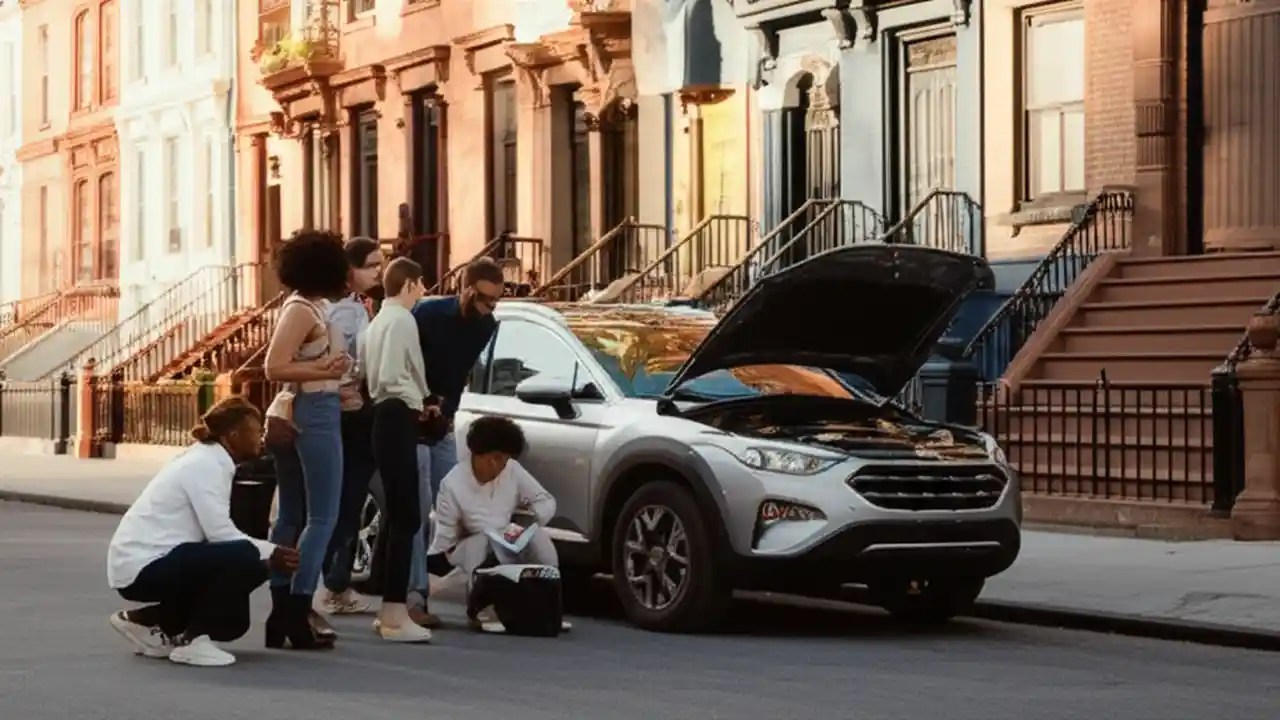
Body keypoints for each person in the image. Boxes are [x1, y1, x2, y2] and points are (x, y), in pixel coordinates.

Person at [107, 397, 298, 667]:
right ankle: (194, 641)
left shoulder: (209, 459)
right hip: (143, 566)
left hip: (153, 560)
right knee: (244, 555)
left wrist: (269, 557)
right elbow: (220, 533)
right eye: (256, 431)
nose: (261, 438)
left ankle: (148, 621)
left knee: (247, 587)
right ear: (234, 435)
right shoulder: (204, 465)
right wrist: (273, 551)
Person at [399, 257, 503, 625]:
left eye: (495, 301)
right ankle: (414, 597)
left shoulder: (486, 326)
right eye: (484, 299)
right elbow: (405, 363)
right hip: (410, 417)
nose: (488, 308)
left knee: (460, 504)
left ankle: (478, 597)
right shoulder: (426, 315)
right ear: (466, 288)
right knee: (416, 507)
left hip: (443, 419)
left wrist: (447, 408)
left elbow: (459, 374)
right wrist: (422, 401)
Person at [262, 229, 351, 649]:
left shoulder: (309, 306)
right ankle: (297, 610)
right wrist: (327, 372)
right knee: (322, 517)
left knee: (293, 515)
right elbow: (274, 366)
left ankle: (281, 614)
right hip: (315, 412)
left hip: (305, 410)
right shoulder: (301, 310)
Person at [426, 415, 558, 629]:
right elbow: (444, 540)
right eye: (494, 458)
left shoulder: (512, 470)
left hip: (508, 537)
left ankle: (547, 607)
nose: (497, 466)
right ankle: (481, 607)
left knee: (542, 541)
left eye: (503, 460)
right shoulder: (452, 484)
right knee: (483, 543)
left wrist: (529, 522)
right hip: (469, 546)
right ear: (477, 454)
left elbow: (545, 501)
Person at [362, 256, 434, 642]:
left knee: (397, 514)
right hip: (397, 411)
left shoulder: (376, 323)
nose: (423, 292)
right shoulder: (403, 320)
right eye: (421, 284)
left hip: (383, 414)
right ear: (408, 284)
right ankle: (393, 614)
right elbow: (394, 375)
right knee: (407, 515)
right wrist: (420, 399)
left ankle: (389, 610)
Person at [315, 237, 383, 617]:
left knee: (349, 502)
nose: (378, 271)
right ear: (350, 269)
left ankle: (334, 582)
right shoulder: (343, 311)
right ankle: (332, 584)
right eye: (371, 264)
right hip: (348, 411)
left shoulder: (356, 306)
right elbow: (342, 361)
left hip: (354, 409)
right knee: (345, 500)